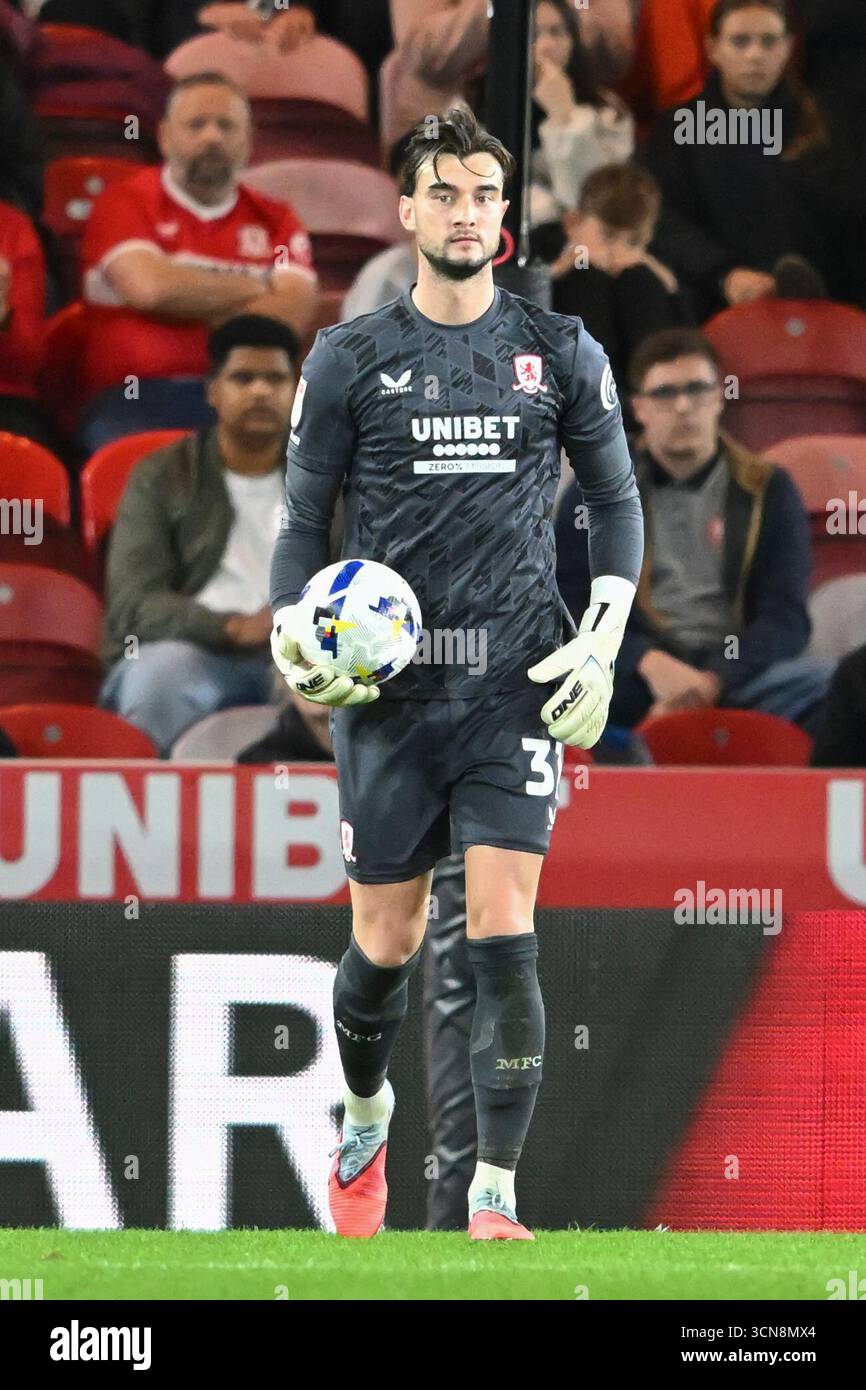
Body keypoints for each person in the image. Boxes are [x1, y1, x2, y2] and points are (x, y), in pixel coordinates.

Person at [269, 106, 644, 1240]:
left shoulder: (562, 350)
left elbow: (618, 503)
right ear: (406, 211)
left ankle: (493, 1193)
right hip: (388, 692)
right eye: (444, 193)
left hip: (513, 680)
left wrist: (600, 634)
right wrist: (298, 631)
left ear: (505, 217)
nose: (465, 211)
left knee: (500, 924)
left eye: (483, 193)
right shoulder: (349, 357)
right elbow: (299, 522)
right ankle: (365, 1108)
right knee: (380, 946)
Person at [556, 328, 834, 735]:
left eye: (698, 390)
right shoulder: (593, 489)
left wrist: (712, 681)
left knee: (827, 685)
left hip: (742, 675)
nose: (684, 406)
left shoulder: (769, 488)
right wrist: (646, 661)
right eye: (665, 394)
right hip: (634, 673)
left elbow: (785, 617)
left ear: (719, 398)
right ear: (638, 408)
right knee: (553, 685)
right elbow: (573, 600)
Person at [80, 72, 318, 451]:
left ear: (249, 139)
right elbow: (151, 289)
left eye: (226, 125)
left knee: (323, 452)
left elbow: (290, 315)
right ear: (164, 136)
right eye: (196, 125)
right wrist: (257, 286)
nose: (212, 137)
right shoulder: (124, 202)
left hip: (247, 395)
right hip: (138, 396)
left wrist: (185, 296)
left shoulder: (277, 218)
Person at [100, 315, 299, 755]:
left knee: (364, 684)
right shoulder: (161, 474)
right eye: (243, 378)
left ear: (295, 391)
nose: (261, 391)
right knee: (160, 678)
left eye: (276, 378)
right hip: (192, 648)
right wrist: (232, 628)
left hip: (299, 650)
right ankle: (157, 817)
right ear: (212, 391)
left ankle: (341, 820)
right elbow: (134, 605)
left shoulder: (330, 480)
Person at [642, 0, 837, 319]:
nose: (755, 55)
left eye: (769, 41)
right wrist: (724, 273)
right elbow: (662, 218)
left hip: (819, 302)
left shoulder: (821, 126)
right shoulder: (677, 129)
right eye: (740, 41)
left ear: (788, 47)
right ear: (712, 48)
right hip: (707, 298)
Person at [543, 163, 693, 398]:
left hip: (637, 399)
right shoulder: (541, 248)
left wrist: (668, 286)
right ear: (573, 223)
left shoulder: (649, 269)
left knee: (639, 279)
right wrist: (554, 273)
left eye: (633, 242)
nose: (618, 253)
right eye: (608, 236)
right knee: (586, 275)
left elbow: (686, 341)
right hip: (568, 393)